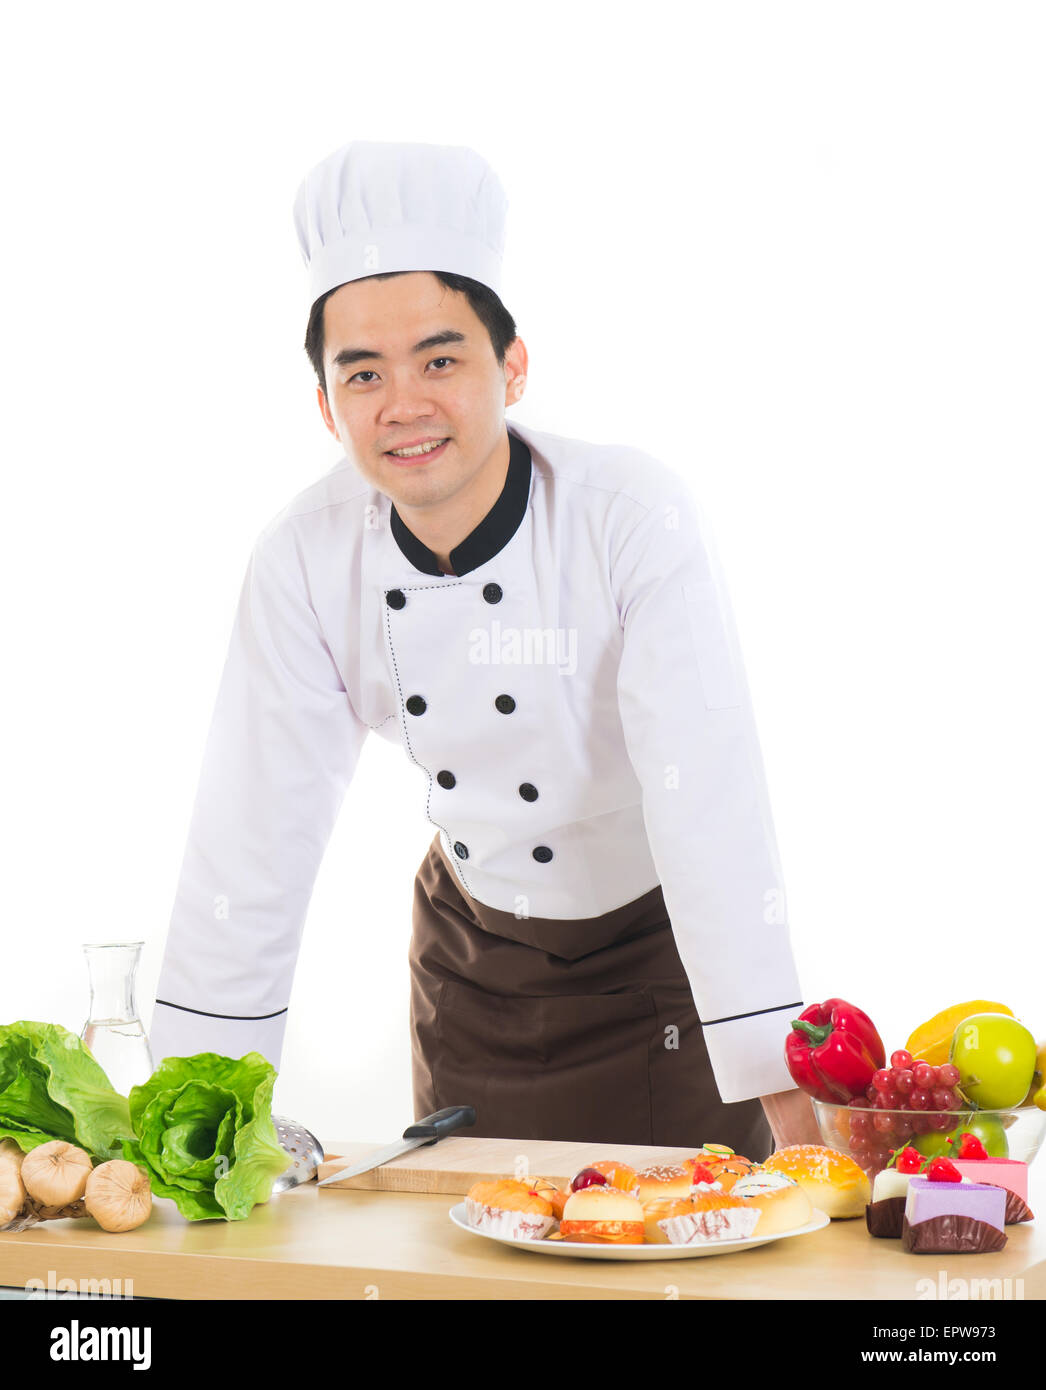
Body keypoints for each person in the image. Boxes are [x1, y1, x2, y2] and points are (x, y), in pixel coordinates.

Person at [149, 140, 821, 1156]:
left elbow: (709, 803)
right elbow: (251, 833)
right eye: (362, 372)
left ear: (510, 364)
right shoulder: (302, 560)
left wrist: (783, 1088)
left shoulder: (629, 517)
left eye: (440, 358)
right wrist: (191, 1104)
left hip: (658, 968)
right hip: (471, 975)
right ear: (326, 404)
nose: (403, 404)